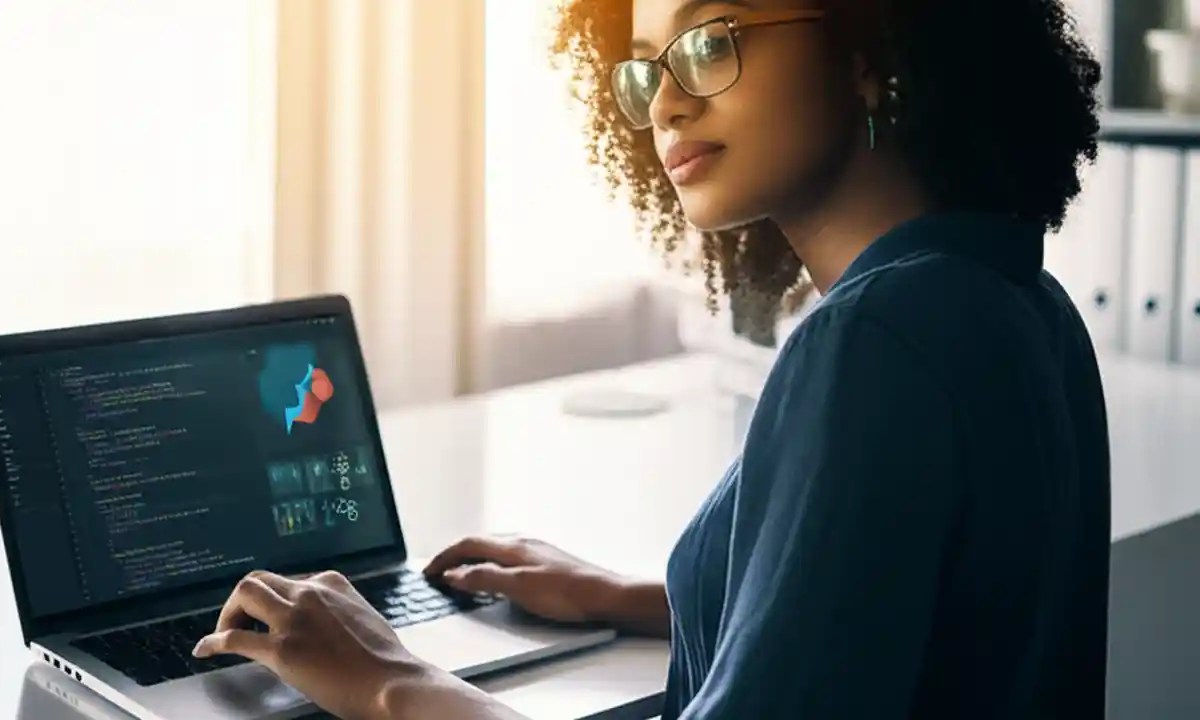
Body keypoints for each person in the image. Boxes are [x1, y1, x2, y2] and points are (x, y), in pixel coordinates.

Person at [192, 0, 1111, 717]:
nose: (665, 102)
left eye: (710, 41)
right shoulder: (1016, 301)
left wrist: (386, 675)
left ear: (871, 49)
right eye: (645, 71)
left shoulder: (874, 344)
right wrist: (637, 596)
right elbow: (902, 625)